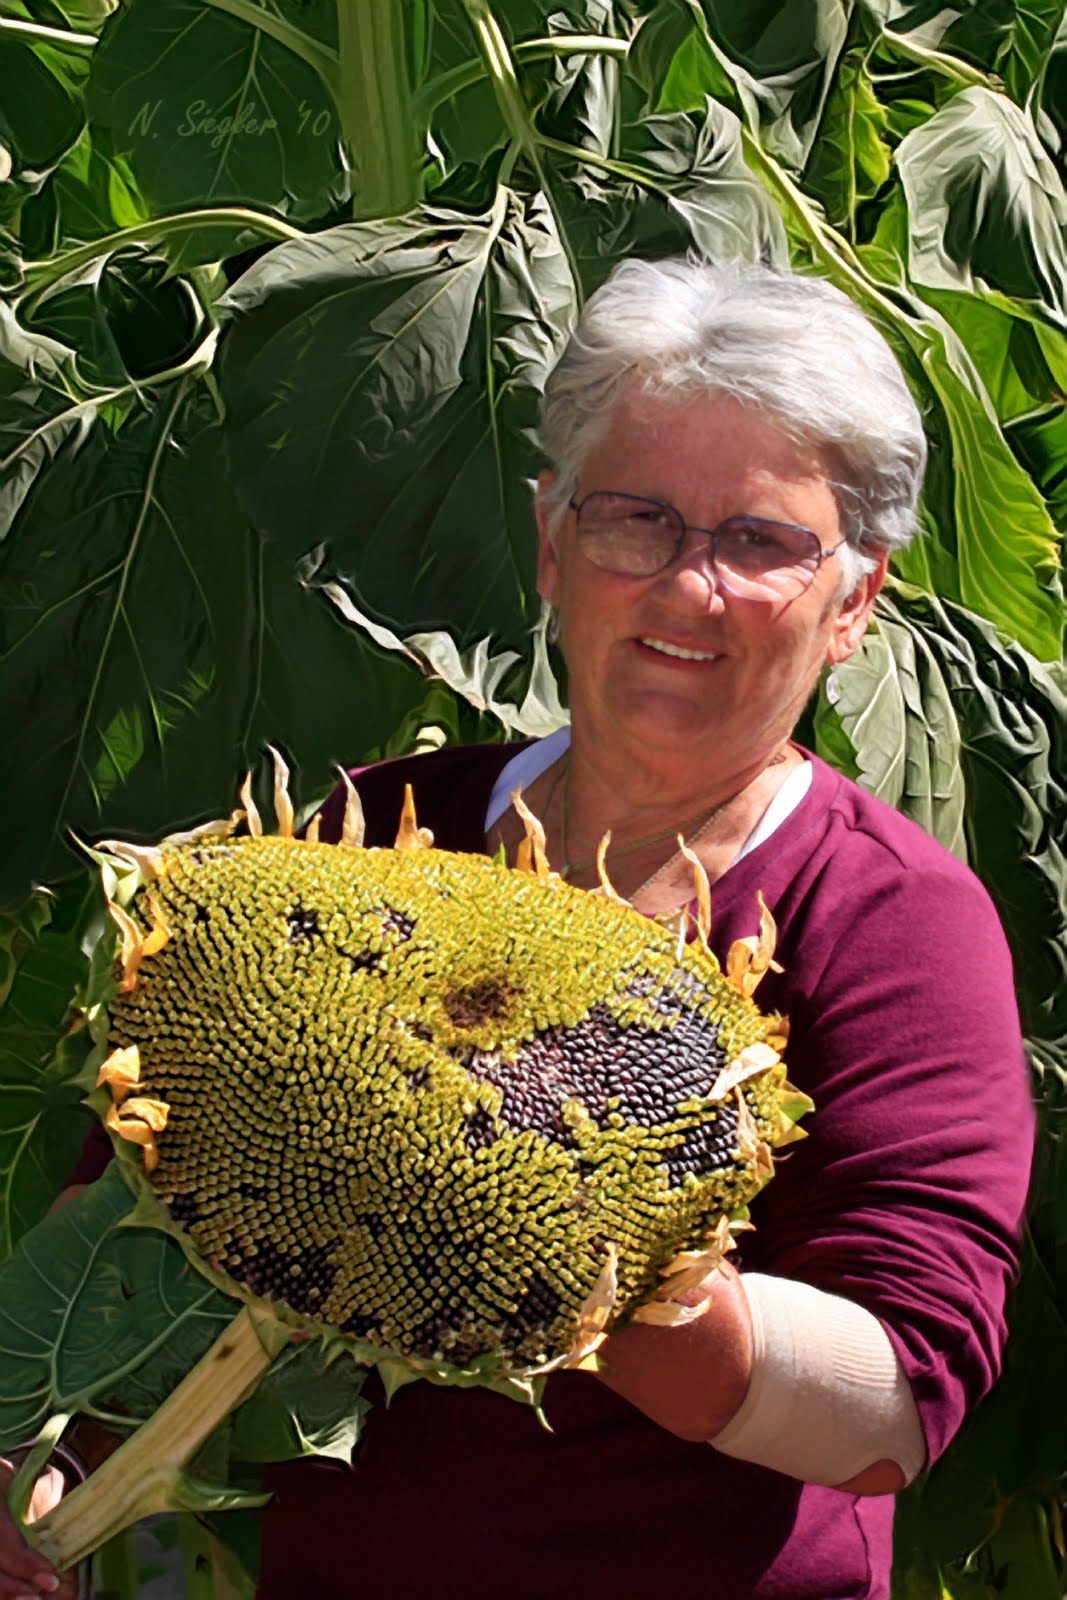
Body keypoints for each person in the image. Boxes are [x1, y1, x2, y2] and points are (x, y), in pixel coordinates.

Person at [2, 258, 1033, 1600]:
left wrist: (605, 1268)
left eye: (762, 541)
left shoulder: (887, 917)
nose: (689, 588)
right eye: (637, 520)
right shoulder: (367, 841)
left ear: (854, 602)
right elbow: (135, 1214)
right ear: (552, 541)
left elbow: (896, 1403)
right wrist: (49, 1462)